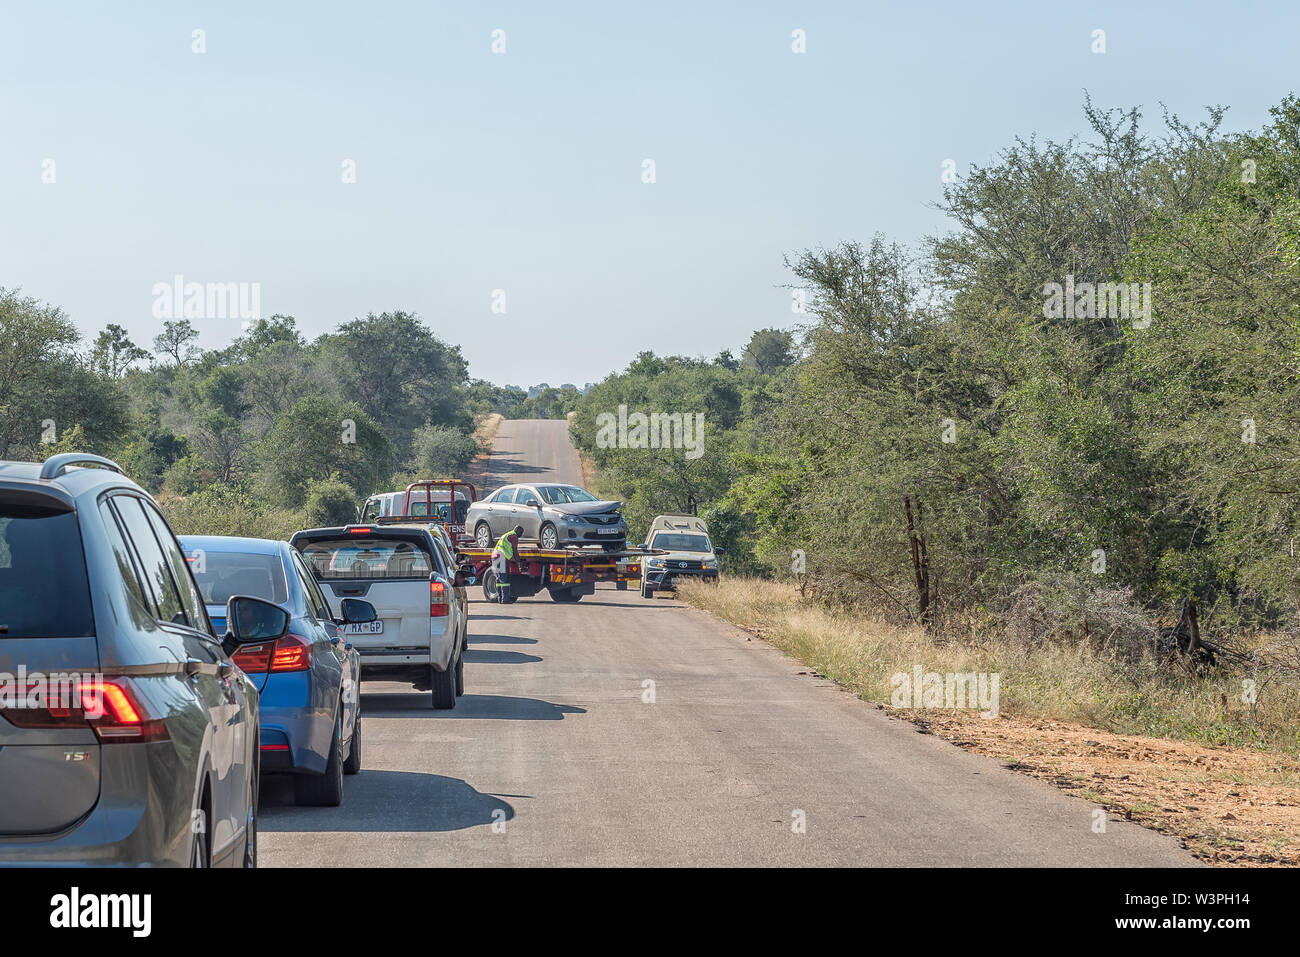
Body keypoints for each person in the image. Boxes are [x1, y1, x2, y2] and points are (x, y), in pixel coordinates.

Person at [492, 525, 523, 604]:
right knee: (504, 579)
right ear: (518, 531)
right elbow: (515, 551)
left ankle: (500, 598)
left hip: (495, 556)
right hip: (501, 557)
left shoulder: (507, 534)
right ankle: (505, 599)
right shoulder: (514, 537)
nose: (521, 535)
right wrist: (519, 563)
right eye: (521, 533)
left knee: (499, 578)